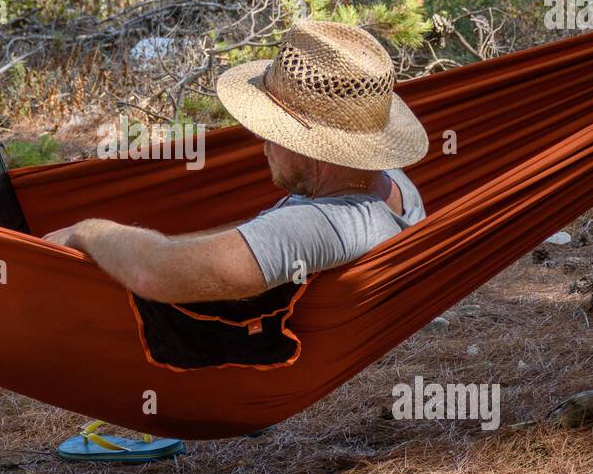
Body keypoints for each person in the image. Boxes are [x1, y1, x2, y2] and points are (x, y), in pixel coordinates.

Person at [44, 18, 429, 300]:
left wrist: (88, 231)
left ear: (310, 145)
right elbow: (253, 242)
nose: (262, 142)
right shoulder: (392, 184)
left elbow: (153, 273)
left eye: (273, 132)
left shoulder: (319, 226)